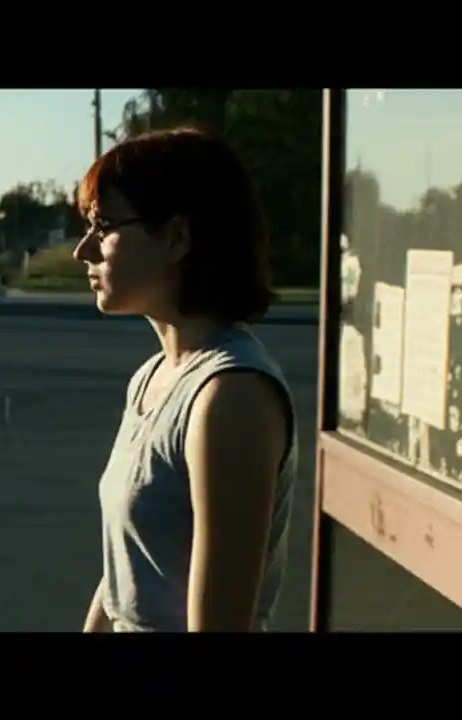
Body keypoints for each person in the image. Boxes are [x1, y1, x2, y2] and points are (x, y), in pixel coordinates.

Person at [75, 126, 298, 633]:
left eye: (104, 226)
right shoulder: (152, 378)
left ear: (177, 237)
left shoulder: (231, 396)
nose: (83, 251)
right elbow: (123, 579)